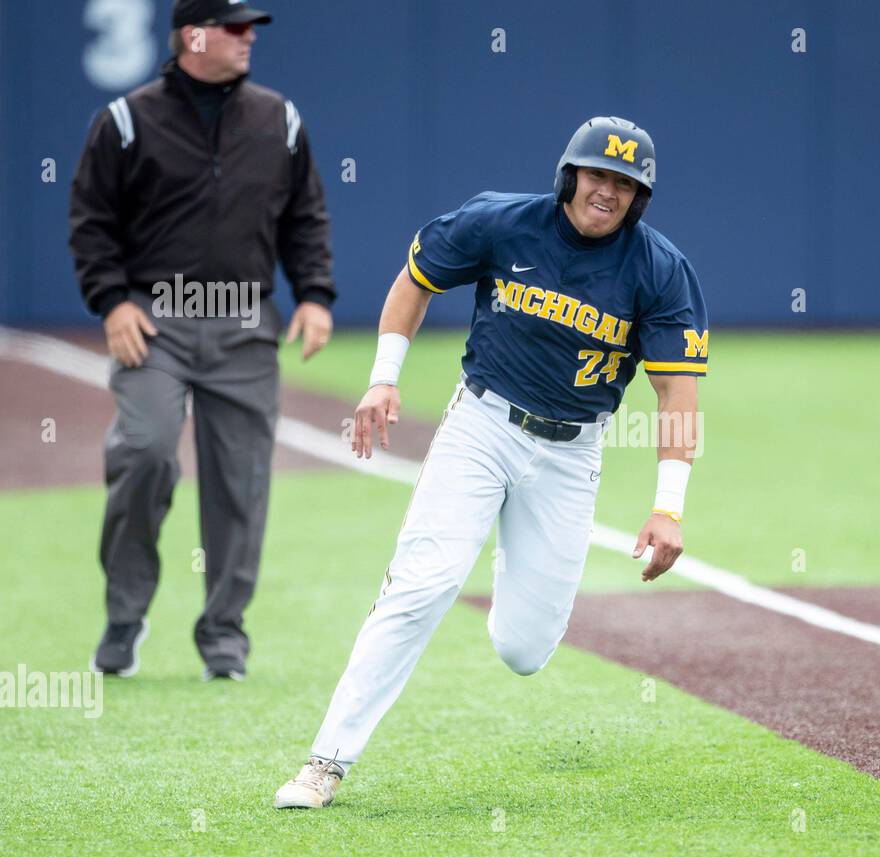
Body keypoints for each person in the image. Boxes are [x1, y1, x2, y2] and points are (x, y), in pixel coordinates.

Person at [274, 116, 708, 808]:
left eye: (626, 184)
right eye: (599, 174)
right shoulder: (501, 223)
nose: (609, 191)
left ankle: (514, 545)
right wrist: (385, 377)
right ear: (570, 174)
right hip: (483, 423)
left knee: (524, 649)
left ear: (640, 197)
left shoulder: (658, 268)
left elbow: (675, 390)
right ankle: (324, 761)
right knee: (424, 584)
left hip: (571, 452)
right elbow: (416, 279)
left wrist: (669, 505)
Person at [69, 0, 336, 681]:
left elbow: (305, 216)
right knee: (147, 450)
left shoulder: (281, 119)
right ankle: (125, 617)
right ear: (193, 34)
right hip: (155, 320)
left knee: (241, 485)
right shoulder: (125, 121)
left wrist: (314, 294)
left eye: (253, 28)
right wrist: (111, 302)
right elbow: (92, 221)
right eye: (235, 27)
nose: (249, 39)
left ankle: (223, 636)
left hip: (246, 323)